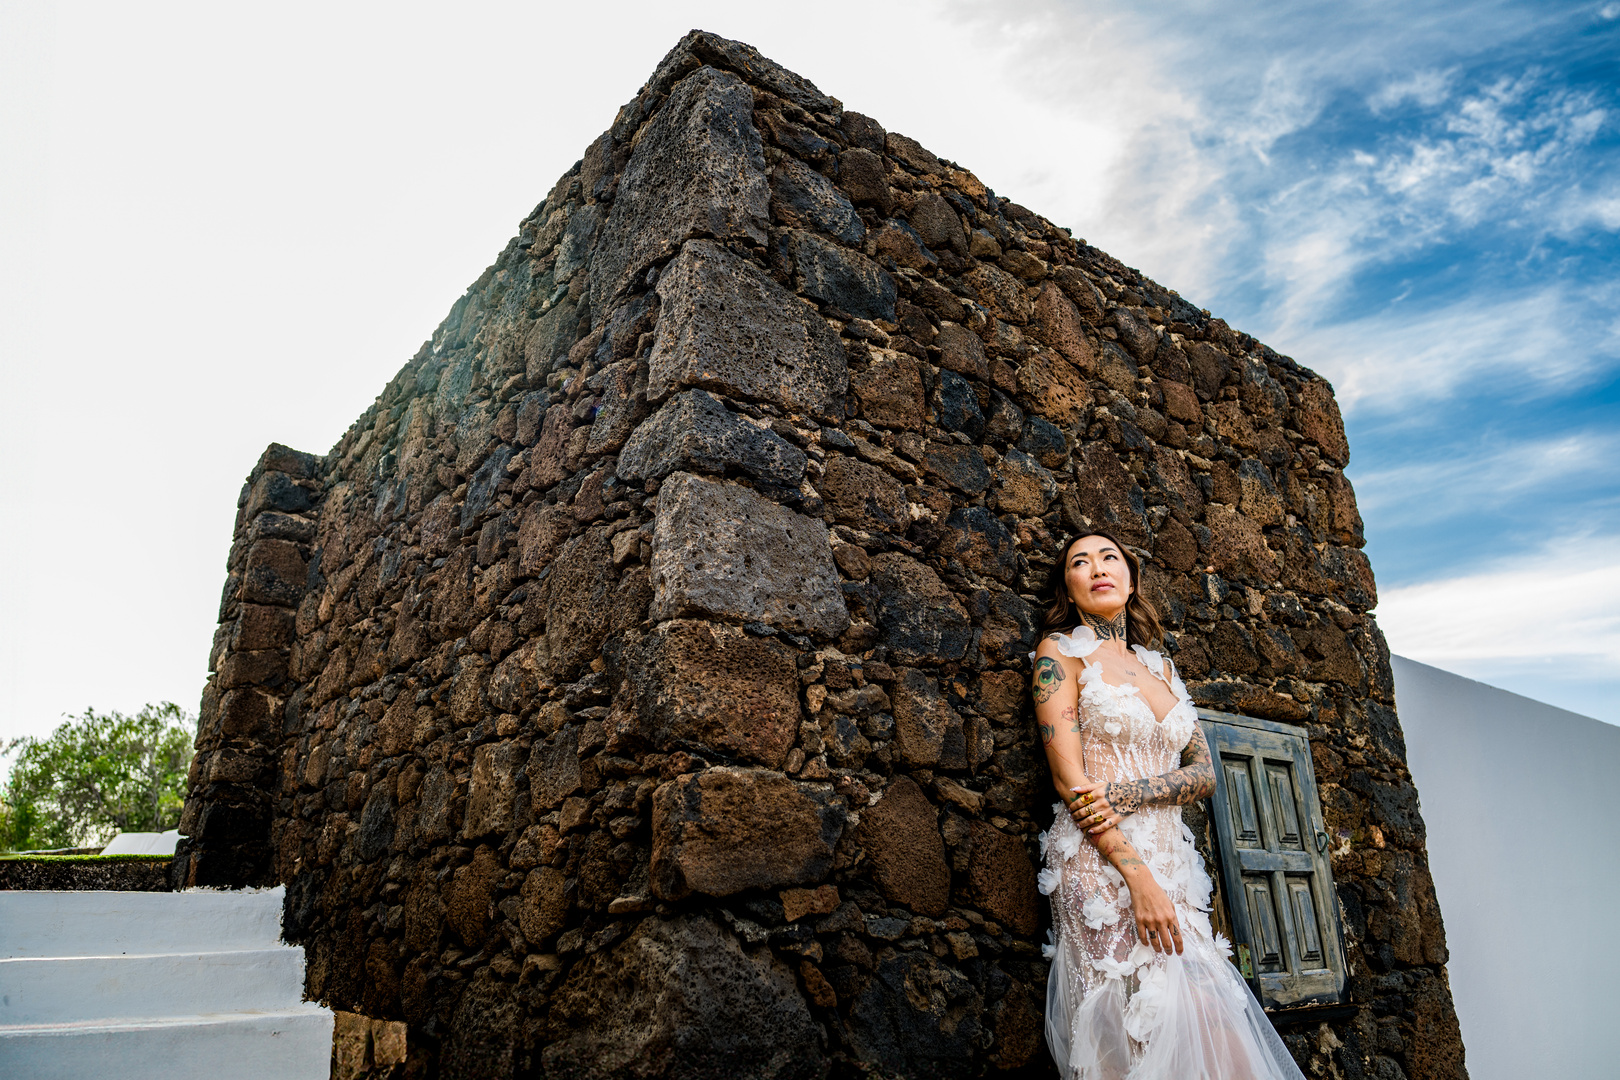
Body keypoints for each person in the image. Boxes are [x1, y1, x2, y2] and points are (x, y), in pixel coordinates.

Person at [1032, 530, 1305, 1079]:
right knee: (1135, 1031)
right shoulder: (1056, 655)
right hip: (1103, 863)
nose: (1097, 568)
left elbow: (1205, 774)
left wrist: (1132, 793)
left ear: (1131, 580)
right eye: (1080, 563)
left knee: (1212, 1023)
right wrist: (1139, 880)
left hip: (1174, 866)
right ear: (1069, 586)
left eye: (1109, 557)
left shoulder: (1163, 669)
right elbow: (1071, 783)